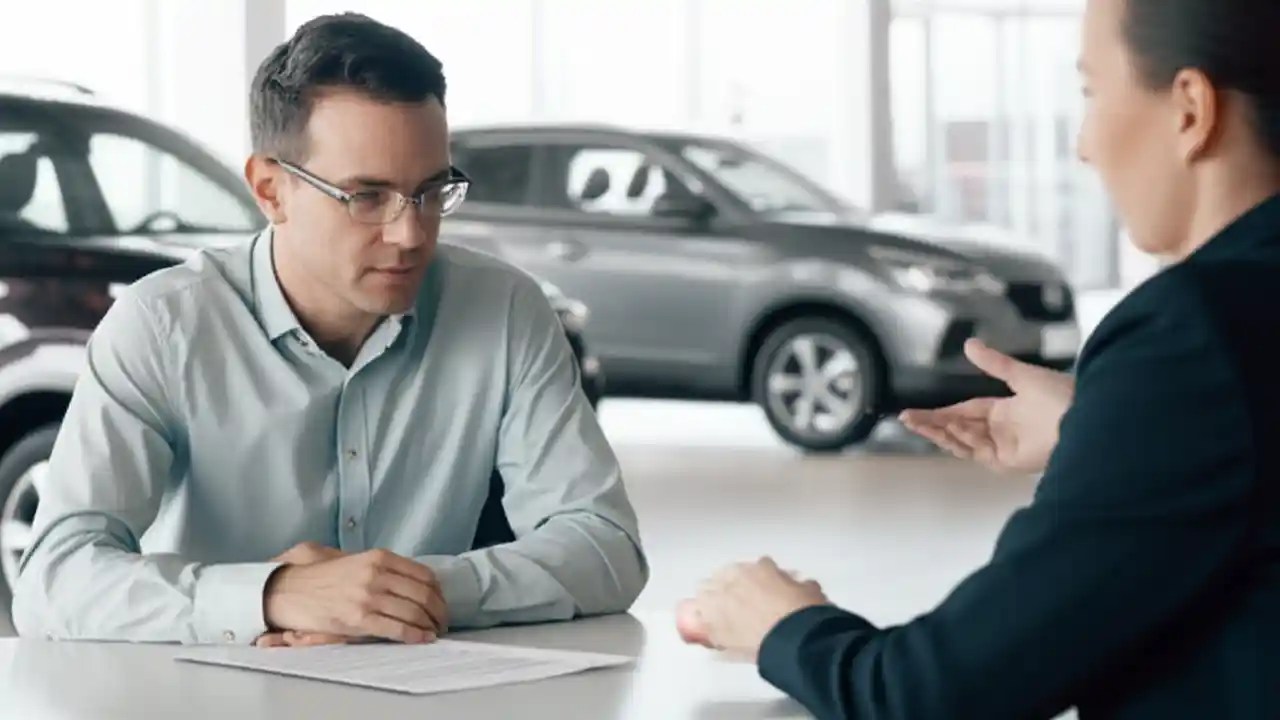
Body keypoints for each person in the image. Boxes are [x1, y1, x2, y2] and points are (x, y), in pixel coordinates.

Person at [680, 0, 1280, 717]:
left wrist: (783, 626)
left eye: (1091, 93)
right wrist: (1100, 426)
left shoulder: (1194, 332)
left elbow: (932, 696)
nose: (1085, 145)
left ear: (1189, 109)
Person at [13, 13, 647, 647]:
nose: (410, 233)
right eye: (367, 196)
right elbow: (54, 580)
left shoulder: (505, 310)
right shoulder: (161, 326)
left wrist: (394, 596)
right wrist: (274, 596)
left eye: (430, 192)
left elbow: (604, 545)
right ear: (270, 189)